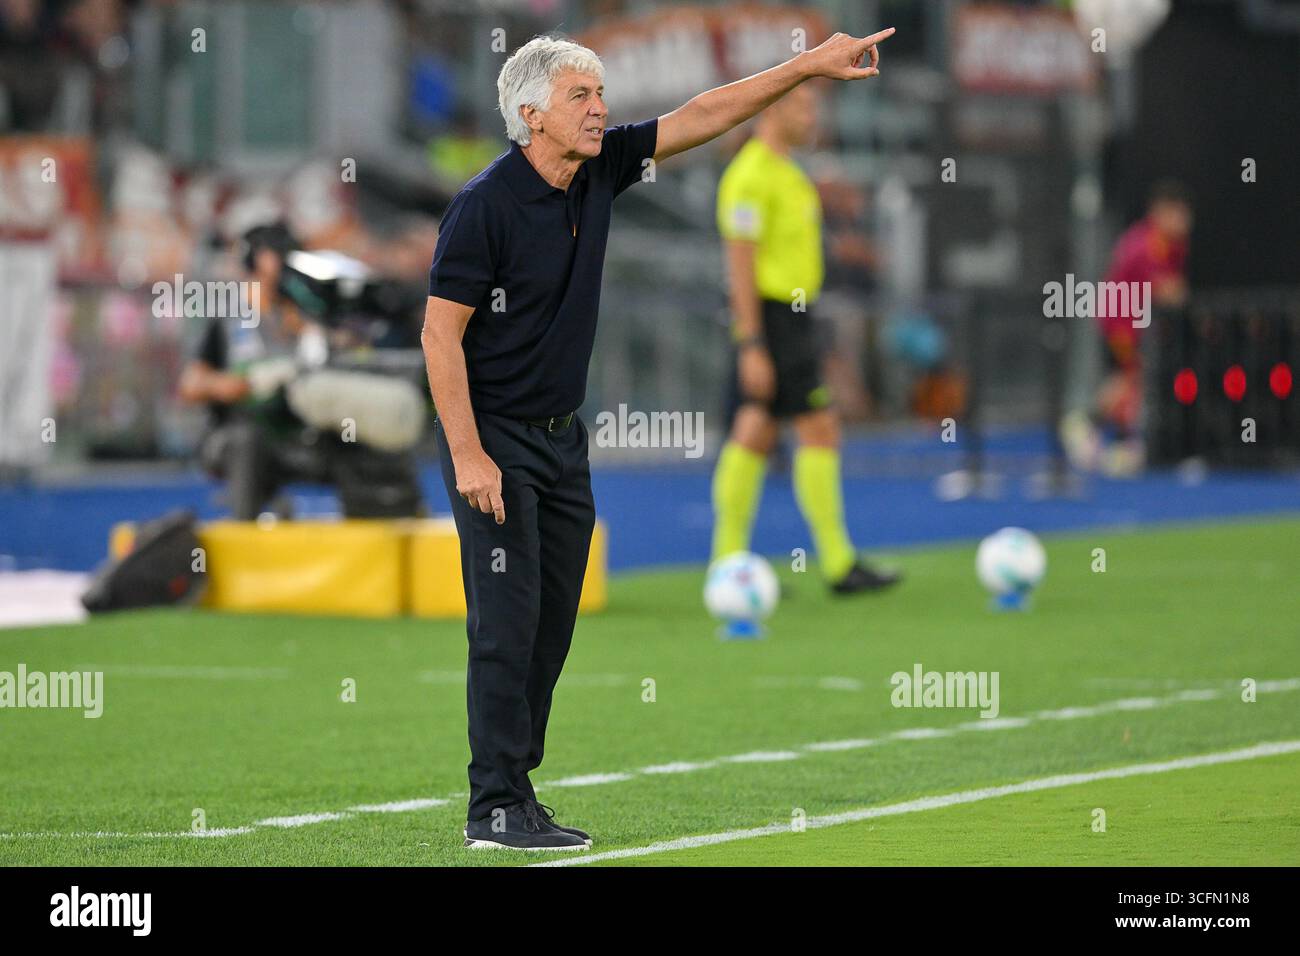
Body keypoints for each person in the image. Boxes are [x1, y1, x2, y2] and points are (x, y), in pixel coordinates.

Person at [422, 28, 896, 851]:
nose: (601, 108)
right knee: (505, 622)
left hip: (561, 442)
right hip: (494, 441)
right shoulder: (483, 205)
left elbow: (706, 112)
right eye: (581, 96)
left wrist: (807, 67)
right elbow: (438, 336)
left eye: (601, 94)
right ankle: (494, 804)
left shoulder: (600, 169)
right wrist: (468, 455)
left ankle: (514, 786)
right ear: (531, 114)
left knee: (552, 623)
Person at [711, 82, 900, 596]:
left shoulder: (790, 173)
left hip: (791, 317)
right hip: (771, 319)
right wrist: (751, 343)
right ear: (772, 108)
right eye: (804, 106)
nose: (813, 117)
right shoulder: (750, 175)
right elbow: (740, 268)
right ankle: (838, 563)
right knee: (817, 427)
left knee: (757, 427)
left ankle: (728, 563)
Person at [179, 223, 422, 519]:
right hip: (239, 434)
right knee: (246, 441)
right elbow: (191, 384)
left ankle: (377, 522)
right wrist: (240, 385)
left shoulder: (306, 313)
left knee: (354, 436)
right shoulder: (227, 318)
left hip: (297, 432)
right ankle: (245, 529)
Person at [1063, 180, 1192, 475]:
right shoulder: (1144, 244)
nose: (1183, 221)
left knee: (1130, 379)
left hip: (1137, 323)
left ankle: (1111, 439)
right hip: (1119, 322)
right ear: (1160, 211)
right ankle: (1085, 426)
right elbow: (1167, 291)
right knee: (1129, 378)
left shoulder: (1174, 245)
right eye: (1177, 213)